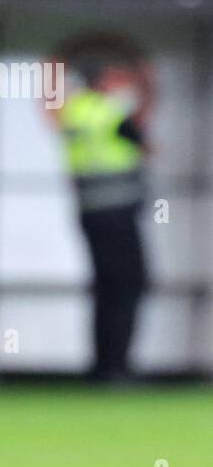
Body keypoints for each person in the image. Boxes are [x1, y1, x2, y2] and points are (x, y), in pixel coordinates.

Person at [48, 31, 153, 382]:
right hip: (119, 214)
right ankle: (117, 367)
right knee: (130, 286)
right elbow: (147, 146)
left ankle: (102, 367)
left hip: (88, 212)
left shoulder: (73, 111)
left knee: (105, 289)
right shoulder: (108, 112)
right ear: (103, 80)